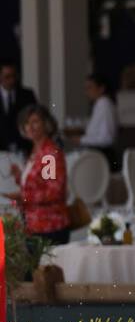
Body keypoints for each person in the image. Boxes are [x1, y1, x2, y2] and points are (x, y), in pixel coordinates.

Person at [5, 104, 69, 245]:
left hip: (49, 226)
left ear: (46, 124)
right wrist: (19, 176)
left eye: (35, 121)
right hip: (34, 224)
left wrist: (23, 197)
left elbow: (53, 192)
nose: (30, 127)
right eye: (26, 123)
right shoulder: (36, 150)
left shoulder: (49, 154)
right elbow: (39, 183)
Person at [78, 73, 119, 166]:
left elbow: (107, 138)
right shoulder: (98, 104)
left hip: (103, 156)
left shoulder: (105, 104)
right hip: (97, 155)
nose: (87, 92)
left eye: (90, 88)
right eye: (86, 88)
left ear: (101, 88)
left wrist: (81, 140)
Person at [0, 60, 37, 153]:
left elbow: (35, 119)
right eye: (7, 77)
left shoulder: (27, 95)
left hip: (23, 150)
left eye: (14, 76)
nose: (11, 80)